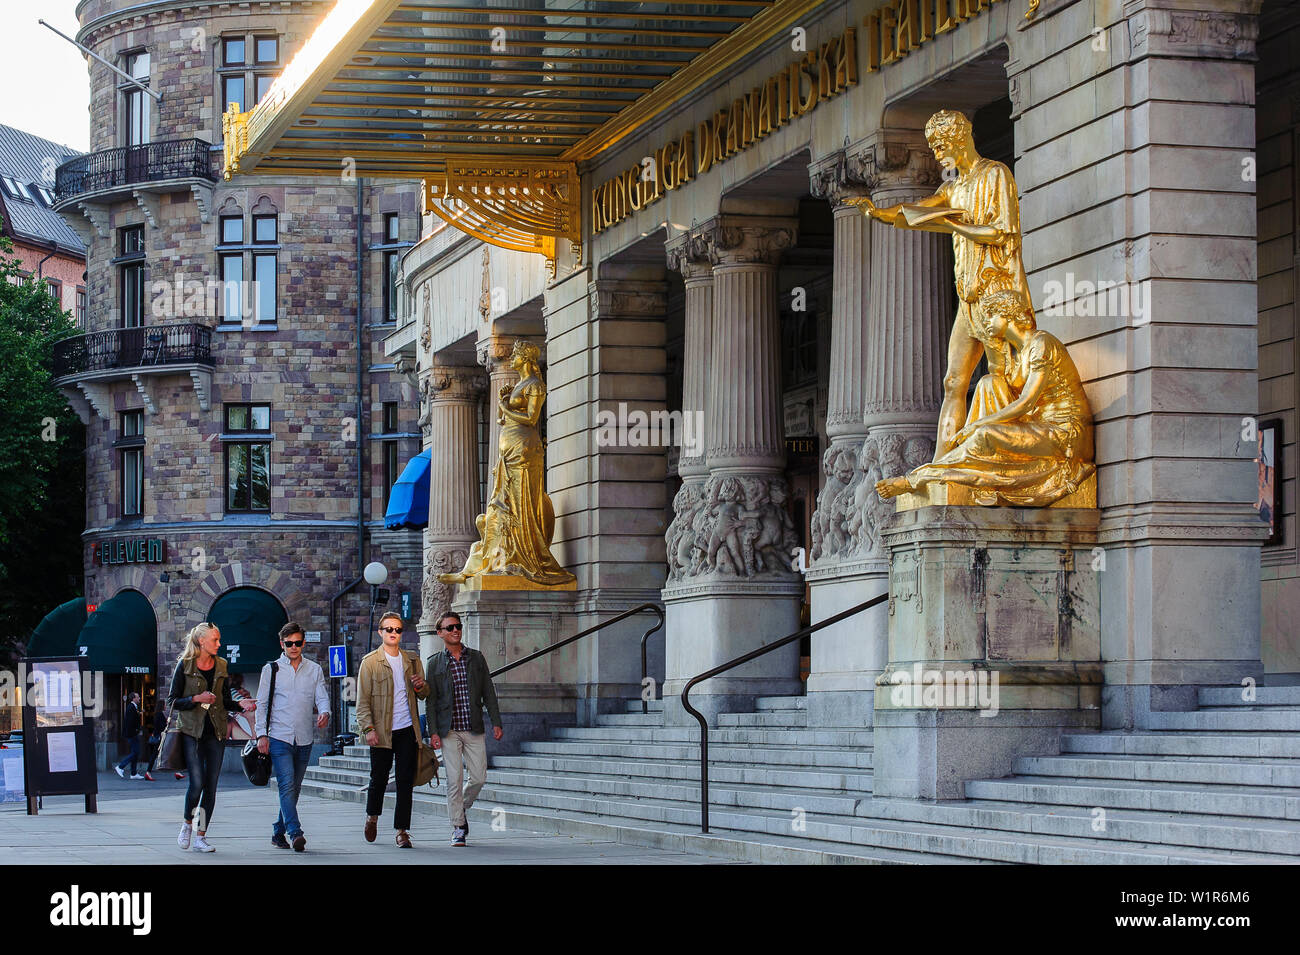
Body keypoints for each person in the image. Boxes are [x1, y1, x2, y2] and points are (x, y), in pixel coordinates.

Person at [850, 109, 1033, 458]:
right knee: (954, 381)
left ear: (959, 139)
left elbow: (1000, 231)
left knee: (1003, 376)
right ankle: (943, 463)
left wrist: (952, 225)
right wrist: (877, 213)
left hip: (995, 294)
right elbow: (915, 211)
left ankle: (1005, 452)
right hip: (968, 297)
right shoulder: (952, 188)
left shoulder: (995, 175)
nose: (936, 154)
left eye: (939, 145)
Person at [877, 289, 1095, 507]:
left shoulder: (1042, 344)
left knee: (985, 434)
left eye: (991, 315)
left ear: (1008, 314)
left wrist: (979, 424)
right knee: (988, 383)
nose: (987, 322)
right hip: (1040, 427)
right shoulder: (1018, 354)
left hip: (1066, 435)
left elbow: (1026, 402)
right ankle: (962, 470)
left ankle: (921, 477)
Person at [167, 621, 257, 853]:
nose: (219, 644)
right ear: (201, 641)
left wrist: (240, 704)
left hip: (216, 732)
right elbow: (172, 701)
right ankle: (188, 824)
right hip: (191, 732)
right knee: (196, 783)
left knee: (211, 787)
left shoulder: (221, 665)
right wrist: (196, 699)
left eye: (219, 639)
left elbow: (224, 700)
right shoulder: (184, 665)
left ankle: (201, 836)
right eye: (215, 640)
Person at [425, 611, 502, 847]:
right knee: (454, 780)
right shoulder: (434, 662)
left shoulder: (476, 658)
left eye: (457, 626)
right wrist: (434, 732)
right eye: (449, 628)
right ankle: (458, 827)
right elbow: (431, 701)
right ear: (440, 633)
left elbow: (488, 691)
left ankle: (461, 807)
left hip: (473, 727)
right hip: (448, 731)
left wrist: (496, 721)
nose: (455, 630)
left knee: (478, 777)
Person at [355, 612, 429, 848]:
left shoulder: (413, 660)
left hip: (407, 728)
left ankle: (402, 831)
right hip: (381, 730)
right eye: (389, 630)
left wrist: (421, 686)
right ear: (380, 632)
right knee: (378, 778)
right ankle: (372, 816)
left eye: (397, 629)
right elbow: (362, 701)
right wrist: (368, 728)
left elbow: (425, 694)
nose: (393, 633)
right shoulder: (370, 662)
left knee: (405, 781)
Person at [255, 621, 330, 852]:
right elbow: (262, 704)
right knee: (286, 785)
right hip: (279, 737)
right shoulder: (271, 670)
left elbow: (322, 696)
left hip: (304, 738)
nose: (294, 647)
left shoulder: (314, 669)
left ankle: (278, 832)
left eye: (298, 643)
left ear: (303, 643)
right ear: (282, 644)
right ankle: (295, 832)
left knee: (294, 788)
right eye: (289, 644)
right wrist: (261, 735)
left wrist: (325, 711)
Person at [114, 692, 143, 779]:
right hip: (132, 734)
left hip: (133, 733)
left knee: (135, 752)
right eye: (138, 697)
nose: (139, 699)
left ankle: (133, 773)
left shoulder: (134, 707)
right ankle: (120, 766)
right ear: (133, 698)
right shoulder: (131, 707)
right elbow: (130, 722)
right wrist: (137, 730)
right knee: (135, 752)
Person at [143, 703, 168, 781]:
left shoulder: (157, 714)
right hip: (159, 737)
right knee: (155, 755)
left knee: (158, 754)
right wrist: (167, 723)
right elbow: (160, 726)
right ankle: (148, 772)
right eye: (164, 704)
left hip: (158, 736)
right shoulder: (159, 714)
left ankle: (149, 771)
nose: (165, 706)